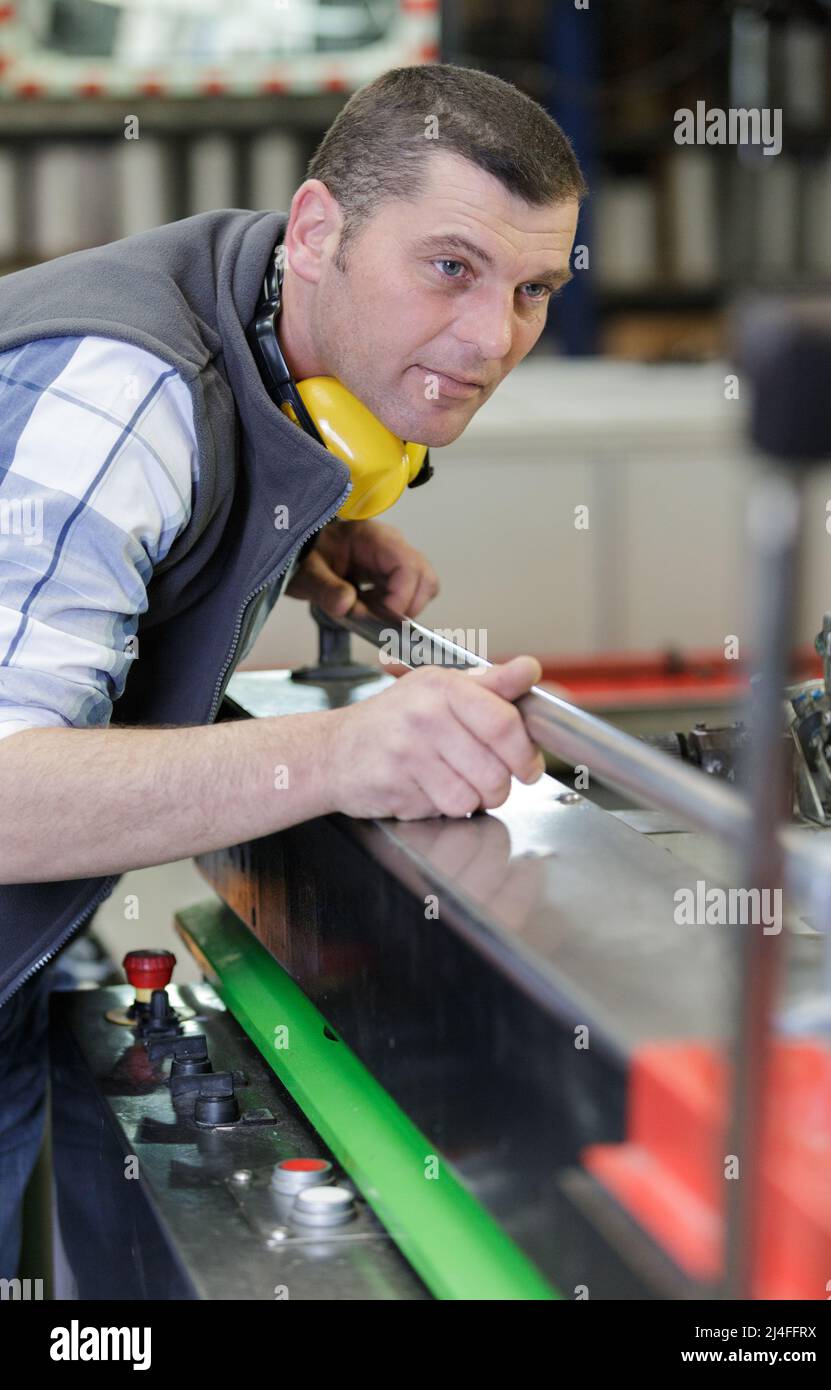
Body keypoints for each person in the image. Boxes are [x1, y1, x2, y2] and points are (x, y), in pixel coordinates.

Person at [0, 61, 585, 1277]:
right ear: (316, 231)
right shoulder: (134, 395)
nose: (494, 339)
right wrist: (340, 751)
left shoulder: (256, 341)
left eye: (533, 289)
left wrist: (289, 524)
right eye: (450, 268)